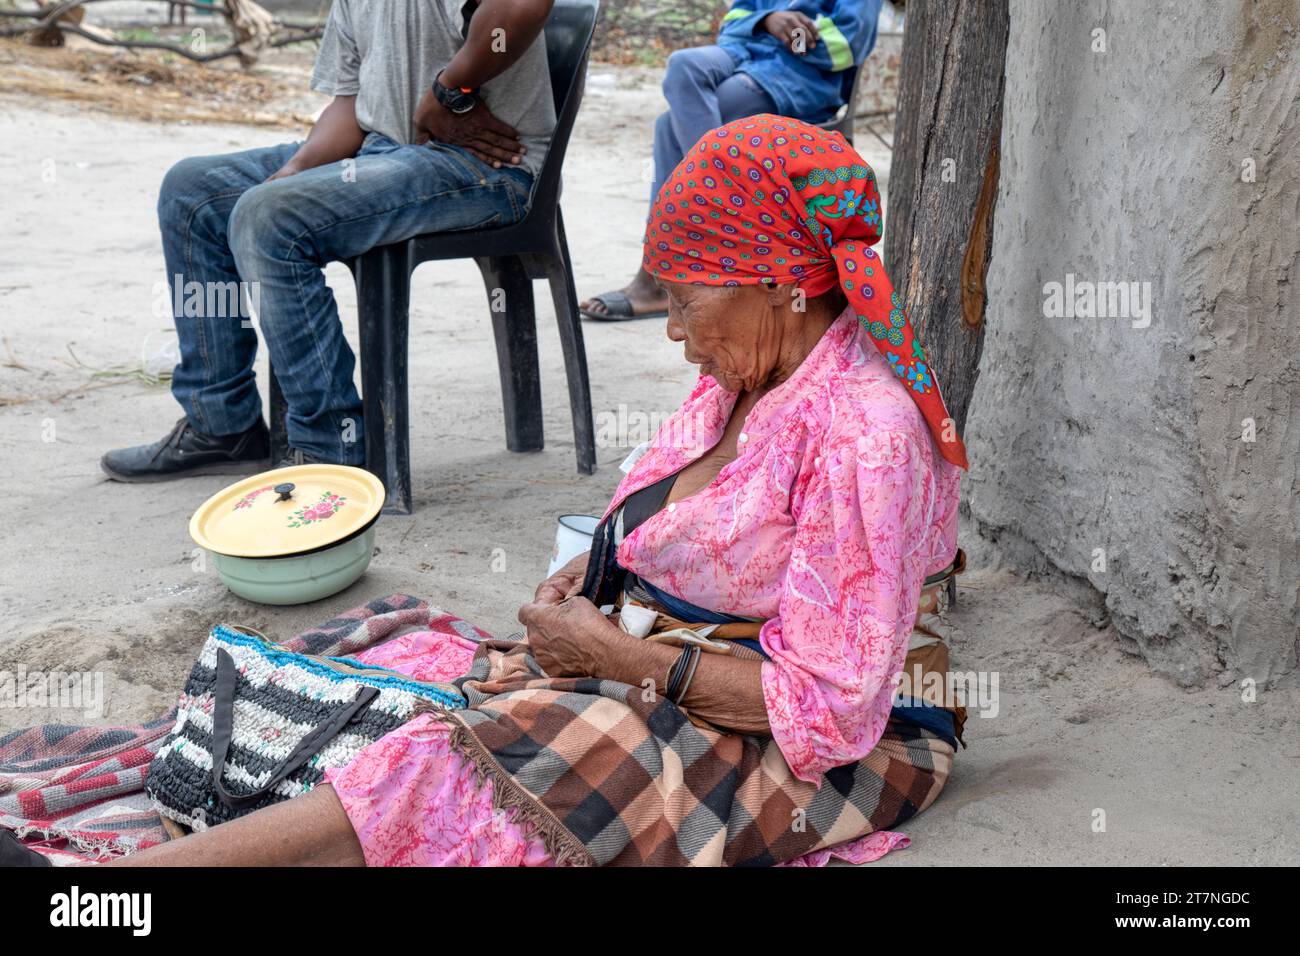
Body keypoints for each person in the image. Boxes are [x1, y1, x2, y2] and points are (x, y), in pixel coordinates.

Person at [108, 116, 969, 867]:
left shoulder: (866, 435)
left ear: (780, 280)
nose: (671, 331)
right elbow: (676, 528)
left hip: (816, 747)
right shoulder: (749, 374)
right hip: (678, 666)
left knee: (495, 762)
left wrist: (616, 659)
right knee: (392, 652)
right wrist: (590, 579)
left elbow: (829, 712)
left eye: (683, 298)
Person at [100, 0, 556, 482]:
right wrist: (293, 172)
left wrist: (450, 90)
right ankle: (223, 427)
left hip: (486, 167)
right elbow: (352, 106)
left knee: (268, 218)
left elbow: (524, 6)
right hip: (380, 152)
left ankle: (330, 448)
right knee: (193, 192)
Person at [579, 0, 883, 321]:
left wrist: (790, 36)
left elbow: (849, 44)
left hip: (795, 77)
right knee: (682, 64)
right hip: (744, 58)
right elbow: (732, 23)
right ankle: (717, 218)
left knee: (669, 126)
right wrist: (767, 20)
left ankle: (658, 271)